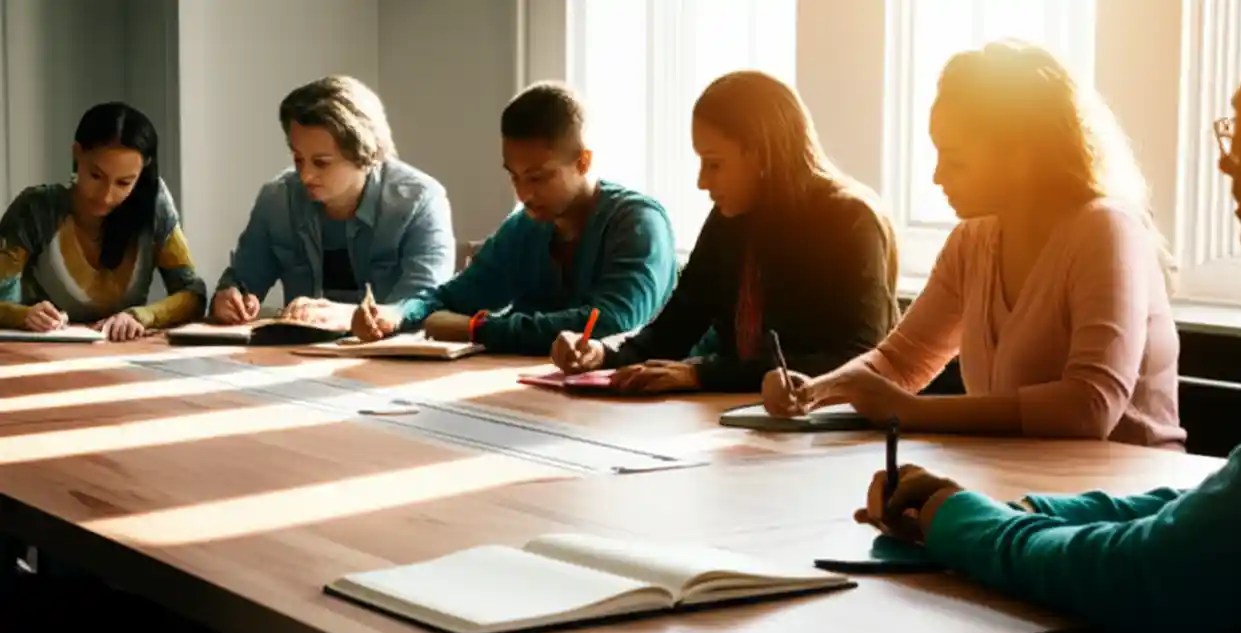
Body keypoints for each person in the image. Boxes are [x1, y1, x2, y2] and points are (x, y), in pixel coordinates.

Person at [860, 7, 1241, 633]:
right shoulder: (976, 237)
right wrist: (1024, 511)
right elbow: (1204, 512)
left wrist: (966, 523)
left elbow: (1164, 572)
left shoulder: (1103, 228)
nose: (1225, 158)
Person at [763, 40, 1183, 448]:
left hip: (1130, 502)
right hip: (1027, 489)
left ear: (1022, 156)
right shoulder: (972, 241)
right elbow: (900, 361)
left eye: (956, 159)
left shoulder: (1104, 230)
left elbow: (1090, 407)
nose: (937, 175)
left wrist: (912, 412)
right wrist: (815, 390)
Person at [550, 71, 899, 393]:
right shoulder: (731, 217)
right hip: (740, 417)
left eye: (714, 164)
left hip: (832, 431)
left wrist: (702, 375)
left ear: (762, 155)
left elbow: (858, 359)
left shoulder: (851, 220)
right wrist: (602, 351)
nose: (702, 182)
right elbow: (676, 324)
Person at [352, 81, 677, 354]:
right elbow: (452, 297)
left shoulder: (639, 223)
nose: (523, 194)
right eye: (514, 176)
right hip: (539, 390)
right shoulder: (525, 226)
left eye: (538, 177)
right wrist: (395, 314)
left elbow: (611, 322)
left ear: (583, 161)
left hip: (642, 405)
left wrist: (479, 329)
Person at [211, 75, 454, 330]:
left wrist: (353, 317)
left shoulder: (420, 201)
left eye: (322, 162)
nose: (305, 175)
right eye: (297, 159)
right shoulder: (277, 200)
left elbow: (424, 305)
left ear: (368, 154)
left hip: (391, 362)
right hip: (294, 360)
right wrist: (228, 299)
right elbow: (242, 281)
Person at [0, 102, 205, 341]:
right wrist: (24, 315)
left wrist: (141, 316)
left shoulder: (153, 205)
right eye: (96, 176)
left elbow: (193, 294)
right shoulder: (37, 209)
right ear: (77, 153)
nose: (106, 196)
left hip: (126, 354)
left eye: (124, 183)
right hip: (40, 355)